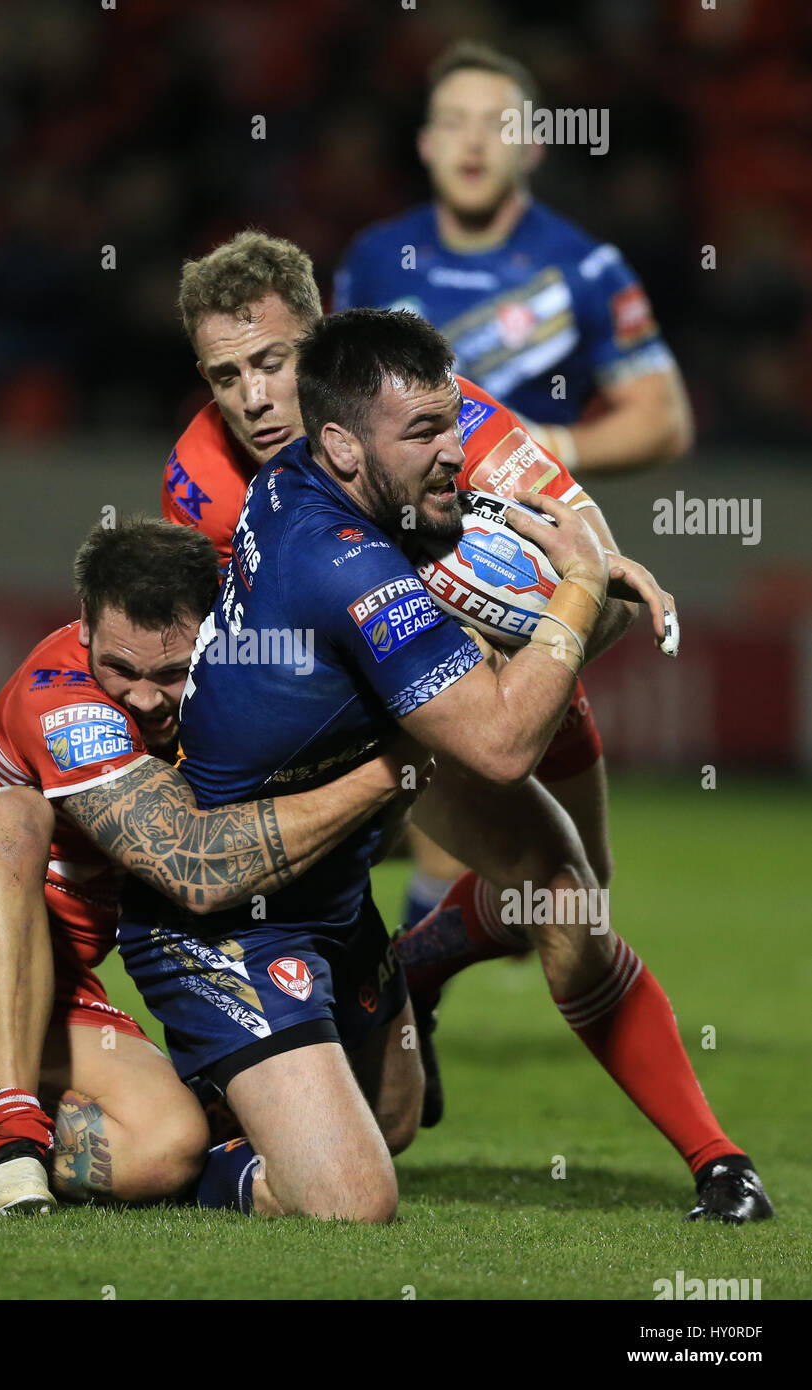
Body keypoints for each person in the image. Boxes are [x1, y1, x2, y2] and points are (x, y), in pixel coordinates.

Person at [160, 243, 772, 1223]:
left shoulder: (445, 417)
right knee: (556, 897)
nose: (254, 398)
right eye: (224, 375)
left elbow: (605, 589)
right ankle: (719, 1162)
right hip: (385, 724)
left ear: (321, 343)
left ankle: (419, 960)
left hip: (508, 685)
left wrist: (528, 630)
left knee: (568, 916)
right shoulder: (201, 483)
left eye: (272, 361)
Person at [0, 520, 420, 1215]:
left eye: (170, 673)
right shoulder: (63, 699)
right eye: (121, 669)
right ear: (84, 626)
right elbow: (194, 868)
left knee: (164, 1146)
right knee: (13, 818)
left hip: (31, 983)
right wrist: (391, 770)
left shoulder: (238, 683)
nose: (144, 698)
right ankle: (12, 1147)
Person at [333, 40, 696, 939]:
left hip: (522, 560)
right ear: (424, 144)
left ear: (533, 145)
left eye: (496, 125)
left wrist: (548, 442)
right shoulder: (375, 260)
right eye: (452, 122)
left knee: (566, 884)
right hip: (402, 554)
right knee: (470, 811)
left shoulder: (582, 267)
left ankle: (407, 944)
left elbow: (663, 418)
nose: (472, 142)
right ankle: (398, 978)